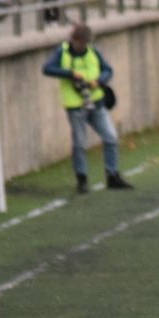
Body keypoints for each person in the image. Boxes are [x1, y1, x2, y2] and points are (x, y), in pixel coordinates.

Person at [41, 24, 133, 195]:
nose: (82, 46)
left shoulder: (93, 51)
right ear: (74, 40)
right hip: (75, 106)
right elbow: (47, 69)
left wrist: (100, 81)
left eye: (85, 43)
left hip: (96, 102)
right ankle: (82, 179)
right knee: (80, 144)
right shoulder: (62, 52)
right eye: (80, 43)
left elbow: (108, 70)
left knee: (111, 138)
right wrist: (70, 74)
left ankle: (112, 175)